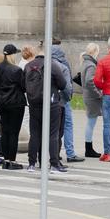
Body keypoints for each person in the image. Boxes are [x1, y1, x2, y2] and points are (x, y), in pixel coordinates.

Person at [25, 43, 67, 172]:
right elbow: (62, 84)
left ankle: (32, 163)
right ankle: (54, 163)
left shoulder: (28, 66)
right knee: (53, 134)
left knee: (34, 134)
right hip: (51, 103)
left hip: (34, 103)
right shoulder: (52, 65)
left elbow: (23, 84)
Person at [52, 39, 83, 163]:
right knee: (67, 125)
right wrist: (68, 97)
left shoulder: (45, 63)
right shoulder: (63, 64)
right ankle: (70, 153)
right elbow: (67, 84)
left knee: (53, 127)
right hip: (63, 100)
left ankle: (54, 152)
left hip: (50, 99)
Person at [0, 44, 26, 169]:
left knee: (5, 131)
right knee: (14, 132)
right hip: (16, 103)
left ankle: (6, 160)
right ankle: (12, 161)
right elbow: (23, 87)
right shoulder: (16, 70)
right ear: (12, 55)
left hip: (3, 103)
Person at [80, 43, 103, 157]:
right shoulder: (91, 65)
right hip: (92, 98)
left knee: (90, 122)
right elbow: (89, 81)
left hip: (88, 96)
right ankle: (88, 149)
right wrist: (98, 94)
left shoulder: (85, 62)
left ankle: (88, 148)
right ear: (95, 52)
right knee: (91, 123)